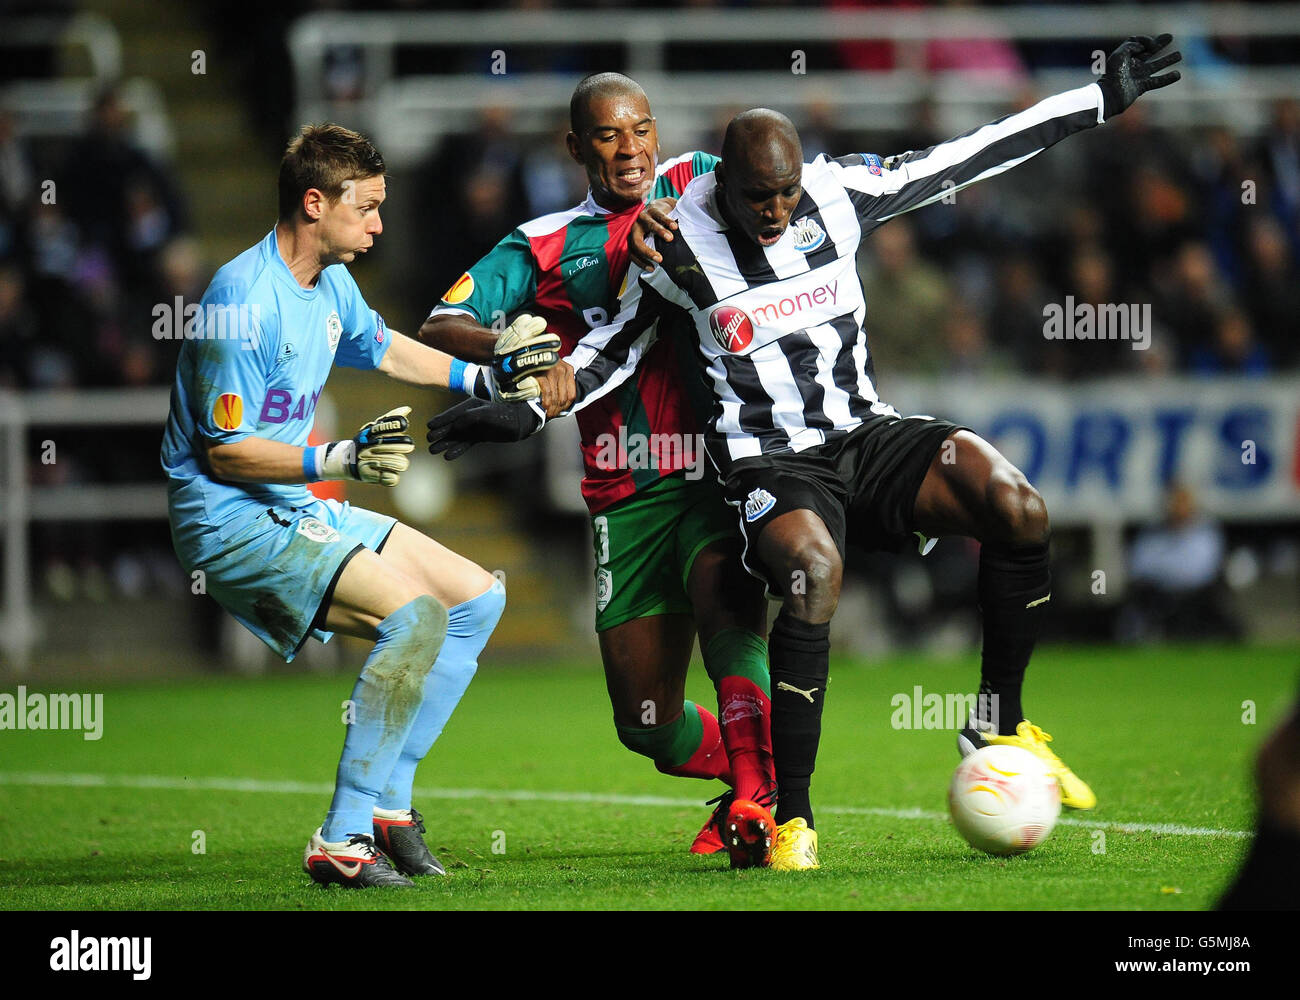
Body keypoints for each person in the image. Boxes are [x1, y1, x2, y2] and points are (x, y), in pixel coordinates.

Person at [429, 35, 1184, 870]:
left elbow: (970, 154)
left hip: (863, 433)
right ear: (726, 187)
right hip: (762, 463)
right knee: (769, 609)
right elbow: (609, 351)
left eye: (786, 191)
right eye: (760, 196)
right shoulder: (671, 245)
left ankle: (995, 723)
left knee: (1016, 505)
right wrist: (513, 405)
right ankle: (793, 814)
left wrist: (1095, 101)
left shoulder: (832, 189)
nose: (777, 209)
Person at [419, 73, 778, 869]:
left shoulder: (698, 183)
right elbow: (443, 322)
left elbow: (788, 186)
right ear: (576, 147)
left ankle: (758, 799)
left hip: (720, 462)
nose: (631, 149)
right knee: (644, 722)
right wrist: (517, 344)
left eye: (642, 129)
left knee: (728, 612)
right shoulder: (541, 243)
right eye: (610, 135)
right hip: (622, 486)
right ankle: (755, 766)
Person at [161, 124, 530, 888]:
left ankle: (388, 807)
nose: (378, 225)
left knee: (475, 600)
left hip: (288, 503)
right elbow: (222, 451)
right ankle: (342, 836)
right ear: (313, 202)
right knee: (413, 618)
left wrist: (484, 379)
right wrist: (334, 461)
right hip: (229, 519)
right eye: (365, 208)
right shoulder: (241, 299)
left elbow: (385, 346)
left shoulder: (329, 282)